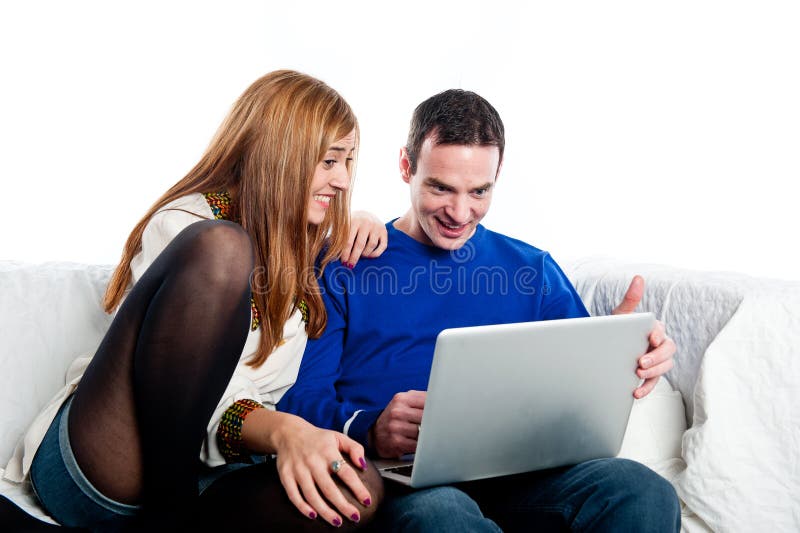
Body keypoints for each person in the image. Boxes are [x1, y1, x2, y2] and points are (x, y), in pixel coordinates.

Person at [278, 89, 681, 531]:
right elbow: (294, 398)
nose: (459, 212)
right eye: (440, 188)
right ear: (406, 166)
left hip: (523, 477)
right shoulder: (345, 263)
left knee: (642, 492)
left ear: (498, 174)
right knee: (444, 515)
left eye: (479, 191)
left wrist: (626, 356)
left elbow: (580, 390)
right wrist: (370, 428)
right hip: (406, 483)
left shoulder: (533, 269)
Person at [2, 70, 387, 531]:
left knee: (356, 488)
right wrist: (283, 430)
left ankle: (180, 515)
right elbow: (179, 380)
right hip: (116, 465)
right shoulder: (192, 225)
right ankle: (170, 515)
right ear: (283, 156)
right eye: (329, 161)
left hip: (216, 474)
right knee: (223, 249)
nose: (343, 180)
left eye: (348, 161)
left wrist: (366, 222)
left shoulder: (307, 249)